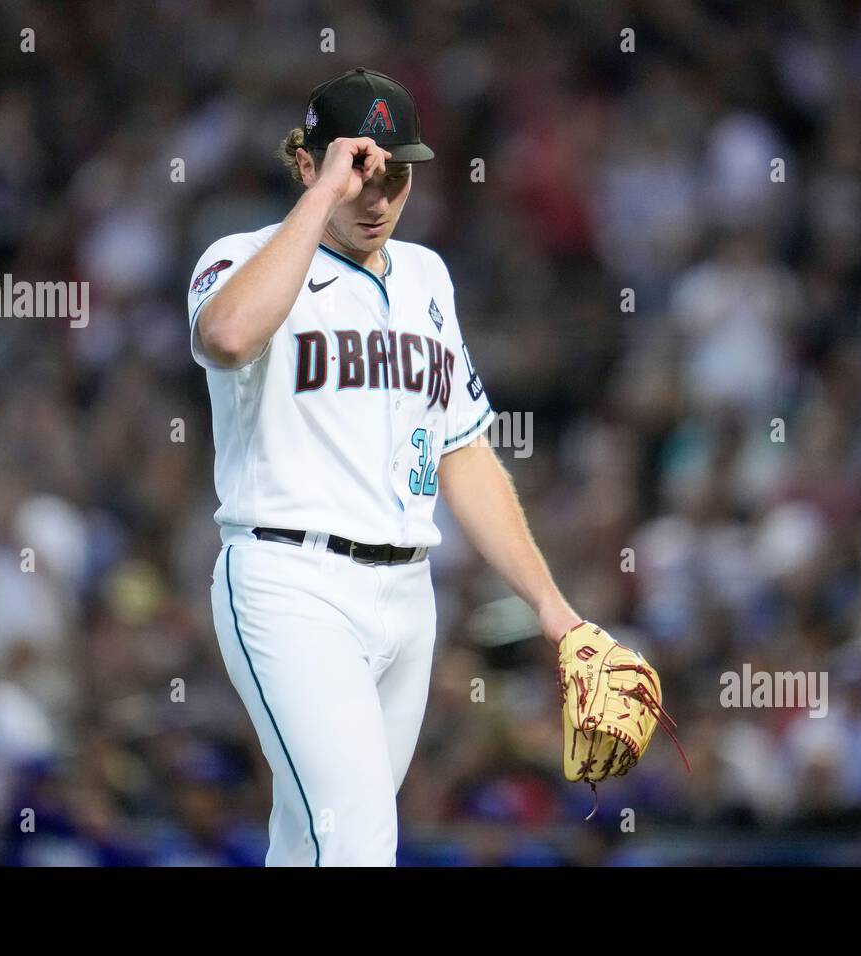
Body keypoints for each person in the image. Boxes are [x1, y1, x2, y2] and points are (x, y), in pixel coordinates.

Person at [186, 67, 581, 865]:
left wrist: (552, 607)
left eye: (395, 171)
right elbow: (225, 337)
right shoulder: (245, 256)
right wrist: (325, 193)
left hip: (407, 597)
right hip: (290, 582)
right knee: (359, 840)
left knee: (311, 841)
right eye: (358, 166)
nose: (378, 192)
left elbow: (463, 450)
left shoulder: (429, 277)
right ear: (309, 163)